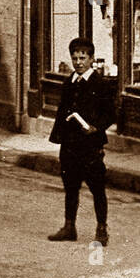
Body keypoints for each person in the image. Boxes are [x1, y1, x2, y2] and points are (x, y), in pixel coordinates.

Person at [48, 37, 116, 246]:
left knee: (97, 187)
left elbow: (111, 113)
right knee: (70, 186)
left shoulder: (100, 84)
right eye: (75, 58)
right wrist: (58, 135)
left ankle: (102, 228)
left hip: (90, 145)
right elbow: (62, 111)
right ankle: (70, 226)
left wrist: (96, 127)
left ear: (91, 59)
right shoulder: (70, 81)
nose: (78, 62)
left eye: (83, 58)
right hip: (70, 144)